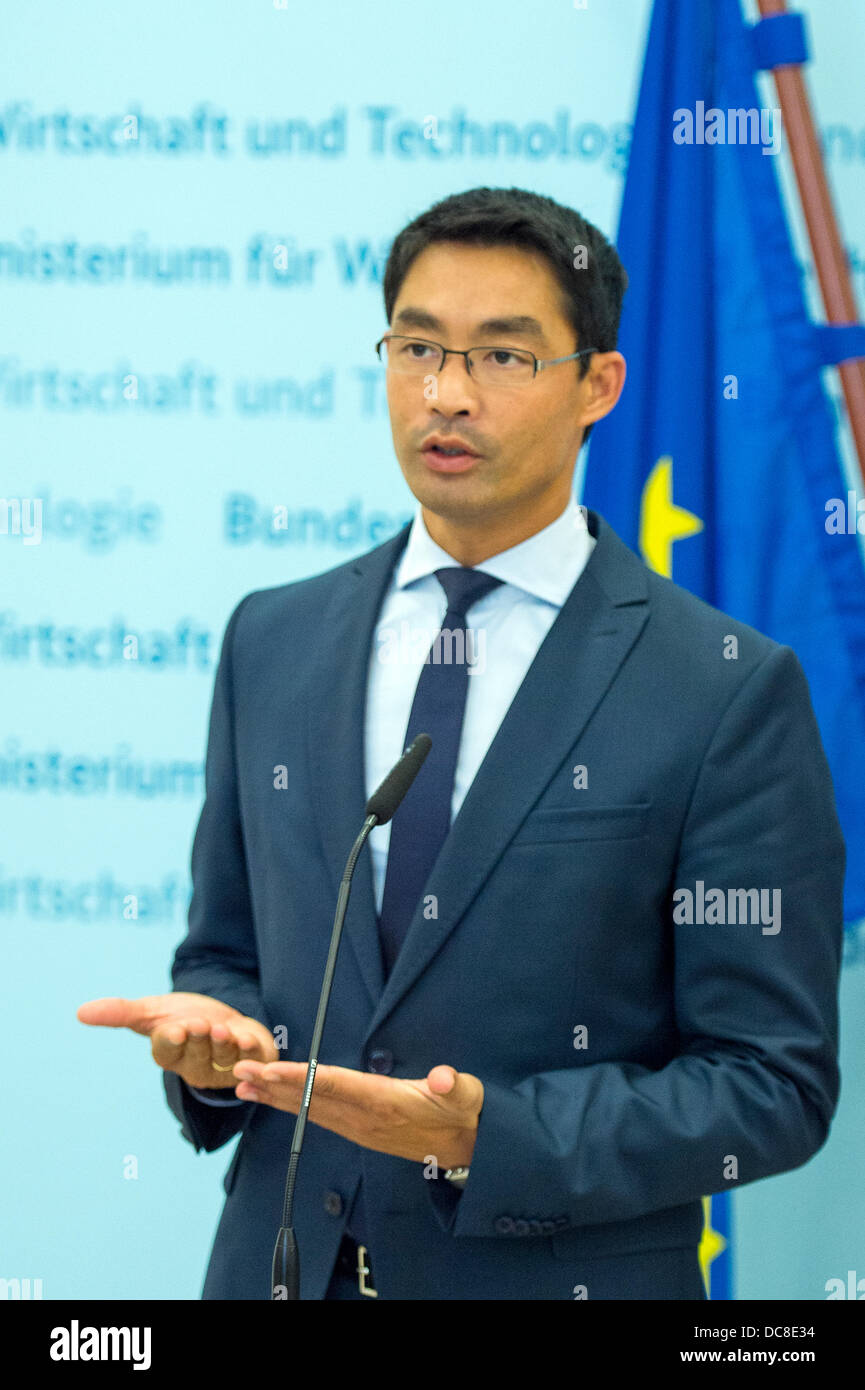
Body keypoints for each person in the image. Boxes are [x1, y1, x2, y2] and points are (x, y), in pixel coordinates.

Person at [78, 186, 844, 1301]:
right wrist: (215, 1041)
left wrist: (489, 1134)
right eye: (418, 347)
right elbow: (226, 949)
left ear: (597, 385)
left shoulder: (722, 689)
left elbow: (769, 1083)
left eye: (502, 357)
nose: (445, 393)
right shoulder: (274, 638)